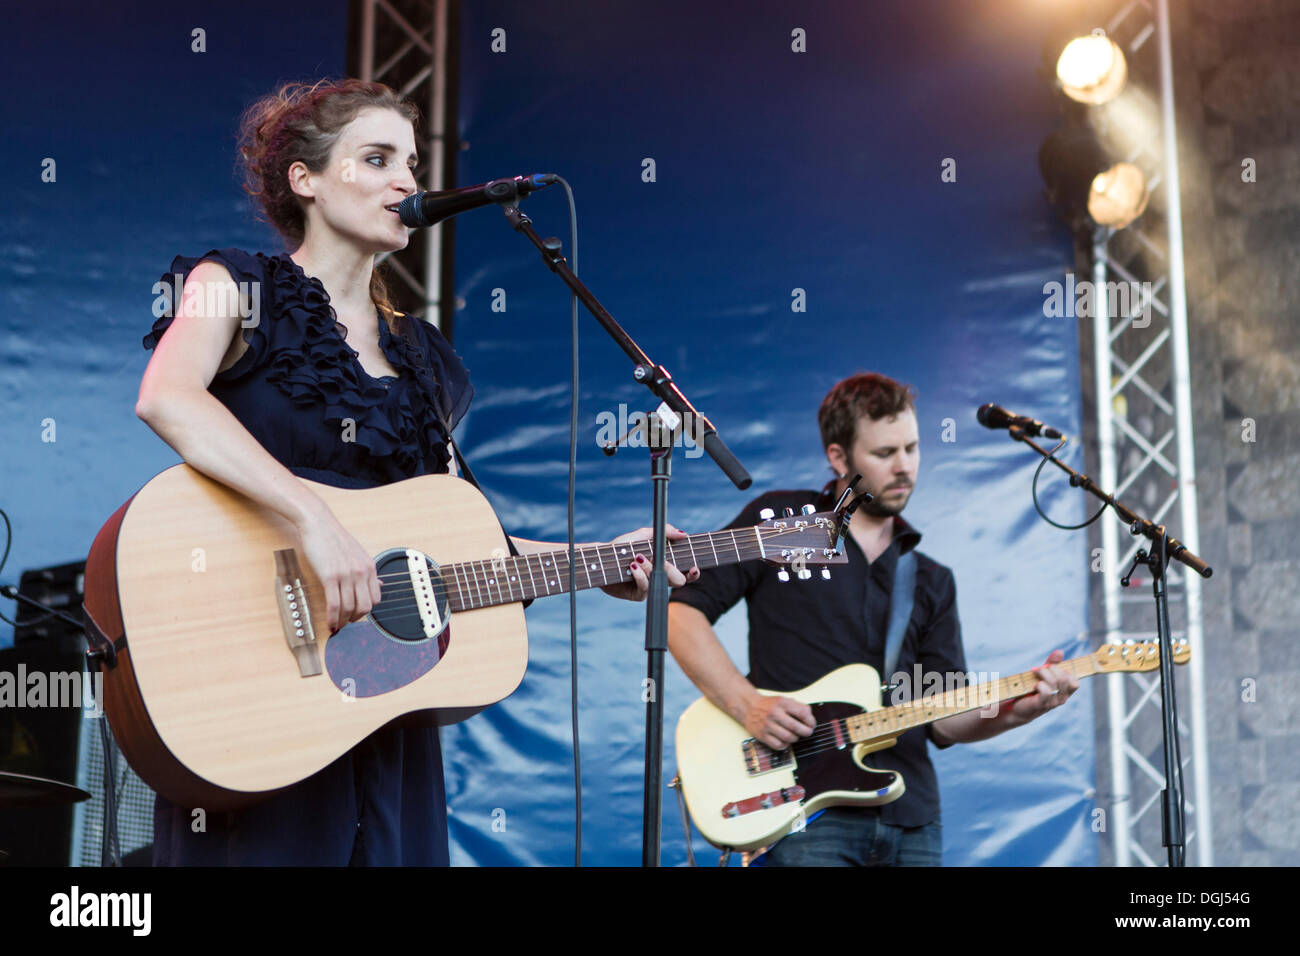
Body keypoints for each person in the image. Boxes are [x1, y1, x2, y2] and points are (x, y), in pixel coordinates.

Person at [136, 78, 697, 865]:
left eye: (411, 161)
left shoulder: (426, 358)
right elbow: (167, 398)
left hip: (380, 708)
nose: (408, 181)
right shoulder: (232, 285)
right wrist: (315, 523)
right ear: (306, 180)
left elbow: (450, 545)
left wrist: (594, 563)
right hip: (255, 692)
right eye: (376, 159)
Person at [667, 372, 1078, 866]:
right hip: (803, 812)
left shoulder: (929, 579)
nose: (904, 467)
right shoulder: (780, 522)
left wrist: (1022, 709)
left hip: (912, 817)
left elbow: (944, 719)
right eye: (885, 454)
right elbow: (681, 614)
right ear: (839, 457)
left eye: (912, 448)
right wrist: (748, 705)